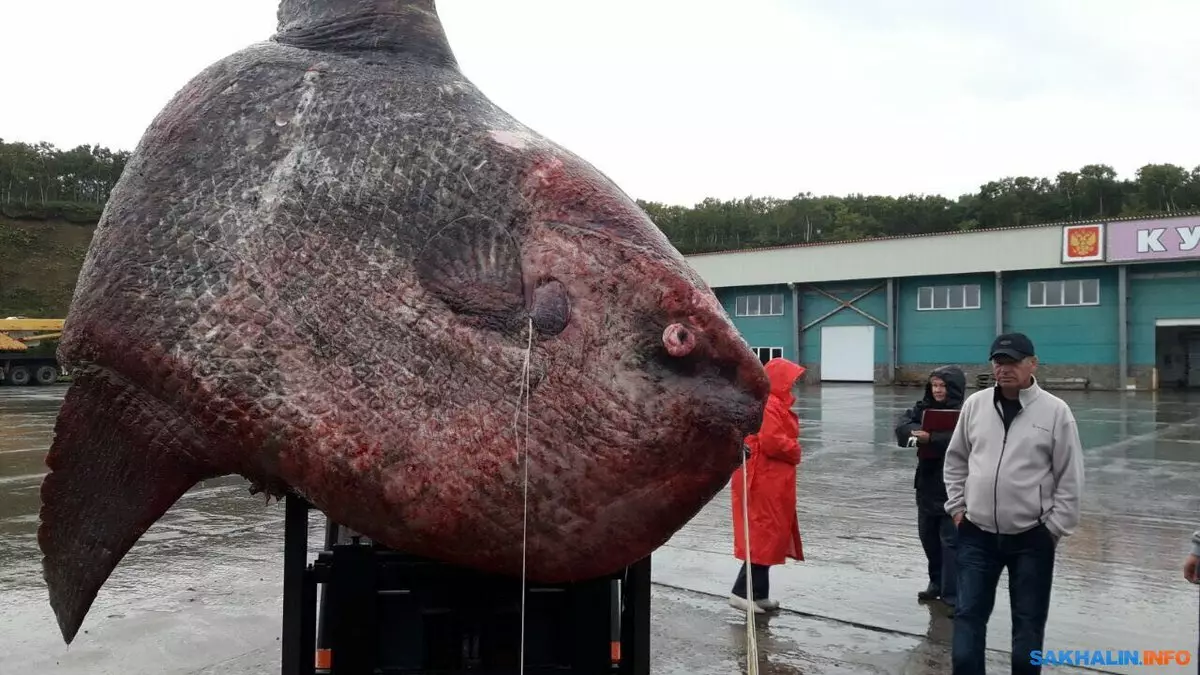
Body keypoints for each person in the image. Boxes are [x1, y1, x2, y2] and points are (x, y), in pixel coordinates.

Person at [943, 333, 1085, 675]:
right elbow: (956, 458)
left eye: (1011, 361)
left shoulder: (1055, 412)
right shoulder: (975, 405)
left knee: (1028, 629)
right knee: (967, 623)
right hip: (976, 533)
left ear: (1032, 364)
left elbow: (1070, 476)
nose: (1003, 369)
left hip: (1032, 538)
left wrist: (1053, 529)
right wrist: (958, 508)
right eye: (997, 361)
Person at [729, 357, 806, 614]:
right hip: (762, 479)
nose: (793, 386)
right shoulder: (769, 405)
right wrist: (795, 449)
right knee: (762, 534)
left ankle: (759, 593)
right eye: (791, 380)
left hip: (772, 479)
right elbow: (773, 441)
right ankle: (742, 592)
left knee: (769, 535)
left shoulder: (774, 403)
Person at [894, 365, 966, 614]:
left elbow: (967, 440)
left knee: (951, 543)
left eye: (942, 386)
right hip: (925, 485)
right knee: (929, 539)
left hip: (953, 487)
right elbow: (903, 427)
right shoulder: (922, 408)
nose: (937, 390)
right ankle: (936, 582)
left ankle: (952, 593)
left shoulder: (967, 412)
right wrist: (914, 434)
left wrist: (932, 438)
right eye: (934, 385)